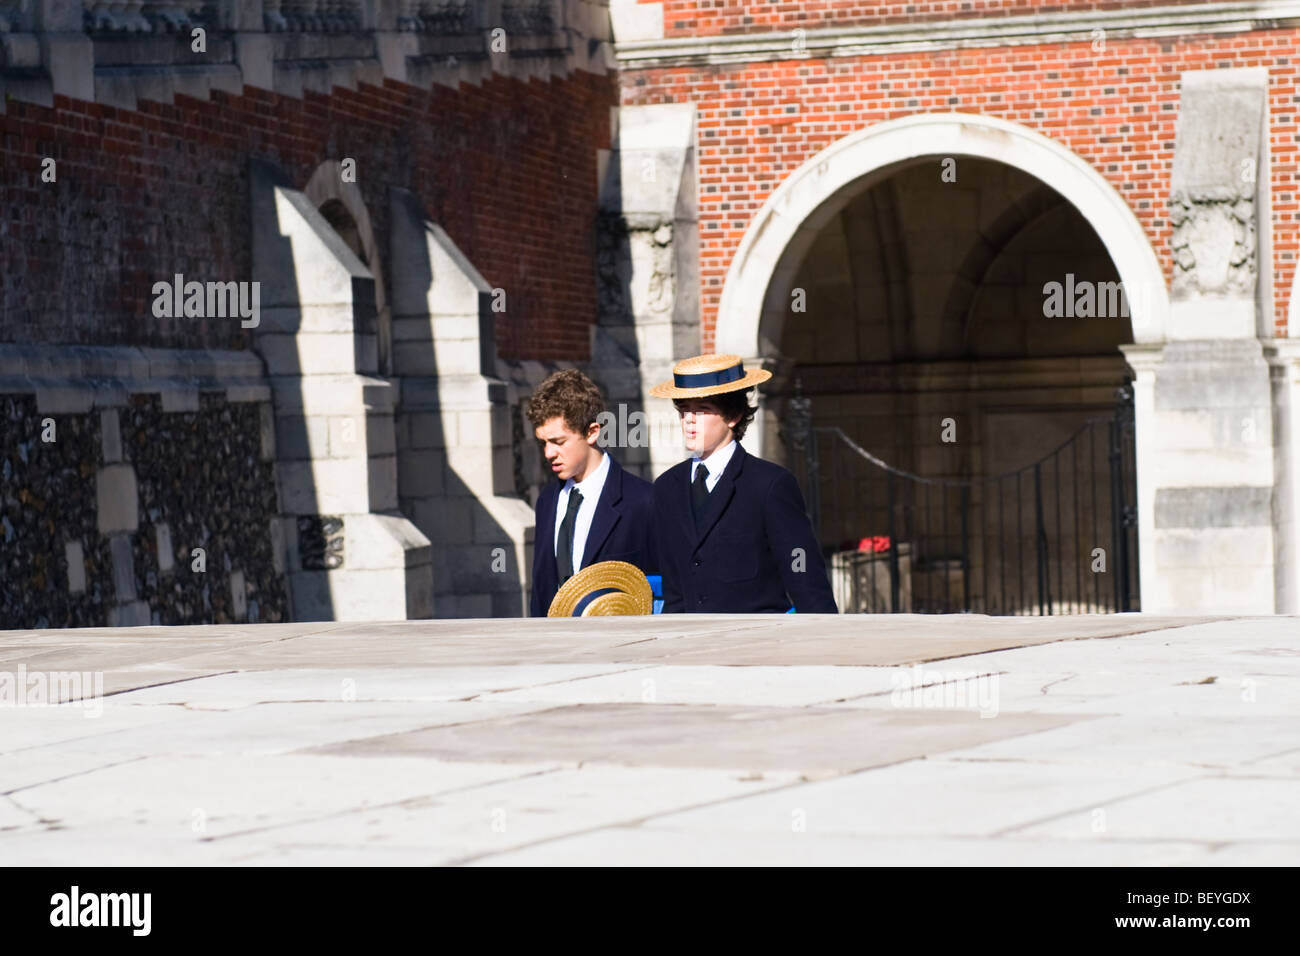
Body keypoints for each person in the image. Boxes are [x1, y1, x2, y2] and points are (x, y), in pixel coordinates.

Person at [649, 354, 837, 614]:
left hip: (757, 645)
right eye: (683, 409)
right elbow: (673, 589)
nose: (689, 419)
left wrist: (825, 643)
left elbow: (805, 580)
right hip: (688, 645)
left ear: (733, 415)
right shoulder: (666, 488)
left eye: (701, 409)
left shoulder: (770, 485)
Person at [525, 369, 656, 617]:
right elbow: (541, 593)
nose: (548, 453)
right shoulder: (547, 500)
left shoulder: (643, 501)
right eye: (543, 442)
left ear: (592, 432)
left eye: (559, 442)